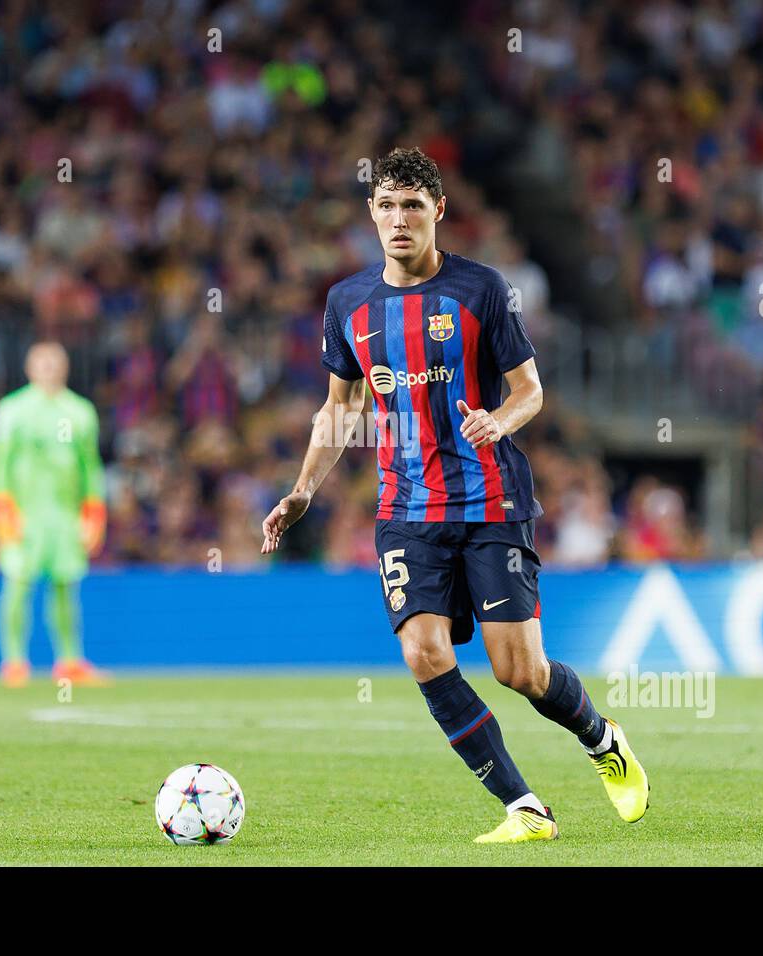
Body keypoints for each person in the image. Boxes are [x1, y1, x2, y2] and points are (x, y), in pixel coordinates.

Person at [261, 147, 649, 843]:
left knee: (519, 672)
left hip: (489, 501)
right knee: (424, 653)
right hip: (405, 510)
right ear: (371, 215)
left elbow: (530, 390)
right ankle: (524, 807)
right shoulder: (347, 303)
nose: (398, 219)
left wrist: (497, 420)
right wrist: (301, 492)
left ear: (438, 211)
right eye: (385, 206)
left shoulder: (481, 290)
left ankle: (600, 739)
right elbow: (339, 410)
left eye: (412, 205)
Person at [0, 342, 109, 687]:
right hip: (25, 513)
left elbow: (91, 467)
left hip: (65, 515)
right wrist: (2, 508)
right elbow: (0, 463)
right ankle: (13, 662)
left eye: (55, 363)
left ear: (65, 368)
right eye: (42, 364)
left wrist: (94, 510)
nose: (49, 370)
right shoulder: (12, 410)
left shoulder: (81, 411)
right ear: (30, 368)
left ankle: (69, 661)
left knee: (65, 585)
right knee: (17, 582)